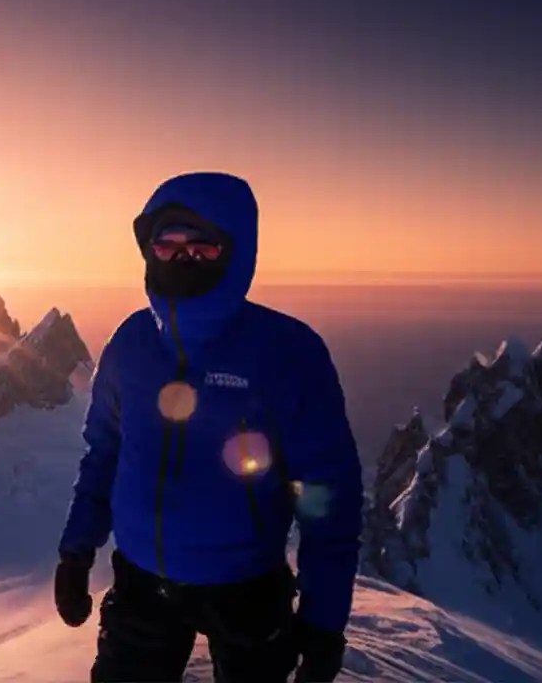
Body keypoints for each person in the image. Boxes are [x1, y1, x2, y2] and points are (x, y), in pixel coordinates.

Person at [55, 172, 363, 682]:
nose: (181, 260)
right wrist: (76, 548)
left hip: (248, 589)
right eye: (167, 245)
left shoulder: (287, 353)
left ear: (236, 252)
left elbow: (326, 494)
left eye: (202, 248)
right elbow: (104, 451)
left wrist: (323, 621)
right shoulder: (131, 344)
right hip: (141, 584)